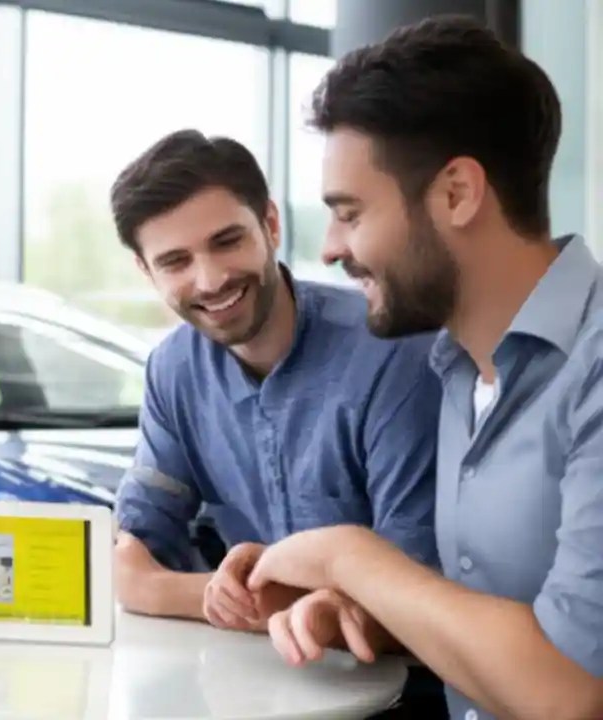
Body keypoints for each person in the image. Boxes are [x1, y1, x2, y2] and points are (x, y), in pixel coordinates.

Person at [244, 16, 603, 720]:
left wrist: (350, 558)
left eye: (349, 213)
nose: (329, 249)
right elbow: (492, 606)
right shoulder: (459, 370)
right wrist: (364, 612)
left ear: (457, 195)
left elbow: (570, 688)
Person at [108, 129, 440, 632]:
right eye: (175, 261)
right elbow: (135, 553)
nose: (211, 279)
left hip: (397, 691)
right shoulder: (173, 369)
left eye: (227, 241)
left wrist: (167, 591)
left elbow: (413, 592)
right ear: (145, 270)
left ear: (270, 223)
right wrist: (221, 594)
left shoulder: (393, 352)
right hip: (255, 684)